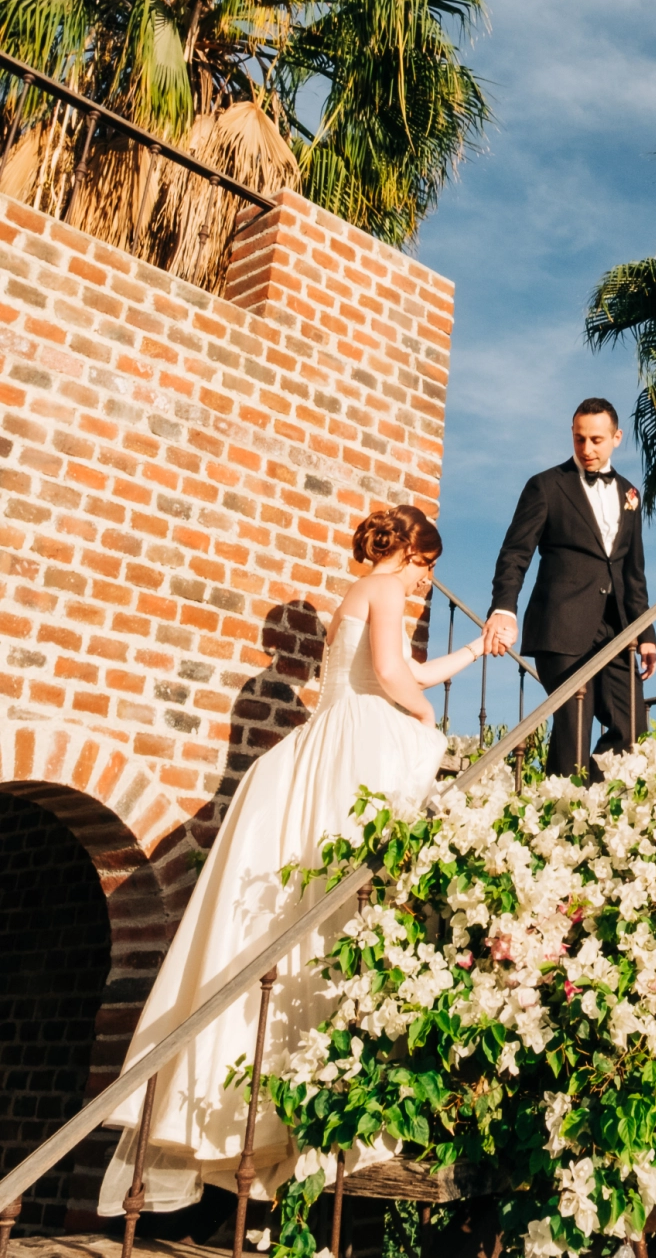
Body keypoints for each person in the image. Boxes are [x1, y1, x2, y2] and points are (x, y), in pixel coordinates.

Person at [98, 504, 497, 1217]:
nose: (424, 580)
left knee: (306, 906)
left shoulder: (358, 593)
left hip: (323, 741)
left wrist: (471, 655)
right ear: (408, 551)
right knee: (338, 909)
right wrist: (428, 720)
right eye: (425, 565)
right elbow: (390, 673)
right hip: (354, 740)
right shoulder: (382, 590)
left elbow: (403, 668)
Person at [483, 398, 656, 777]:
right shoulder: (546, 486)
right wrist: (503, 608)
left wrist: (646, 633)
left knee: (632, 733)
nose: (587, 449)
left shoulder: (630, 494)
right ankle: (563, 816)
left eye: (596, 440)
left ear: (616, 437)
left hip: (615, 631)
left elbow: (633, 573)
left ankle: (584, 803)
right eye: (579, 439)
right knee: (573, 727)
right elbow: (515, 553)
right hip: (560, 626)